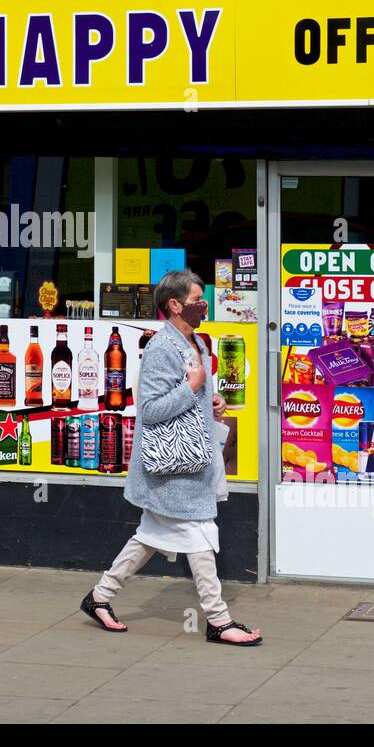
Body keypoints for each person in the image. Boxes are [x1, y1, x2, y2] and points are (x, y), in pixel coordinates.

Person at [79, 269, 261, 646]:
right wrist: (192, 388)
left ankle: (99, 597)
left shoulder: (198, 343)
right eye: (198, 298)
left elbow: (189, 399)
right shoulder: (163, 348)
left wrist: (210, 400)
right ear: (175, 305)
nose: (204, 304)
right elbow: (151, 409)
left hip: (192, 461)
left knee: (149, 536)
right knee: (200, 533)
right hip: (173, 468)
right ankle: (218, 620)